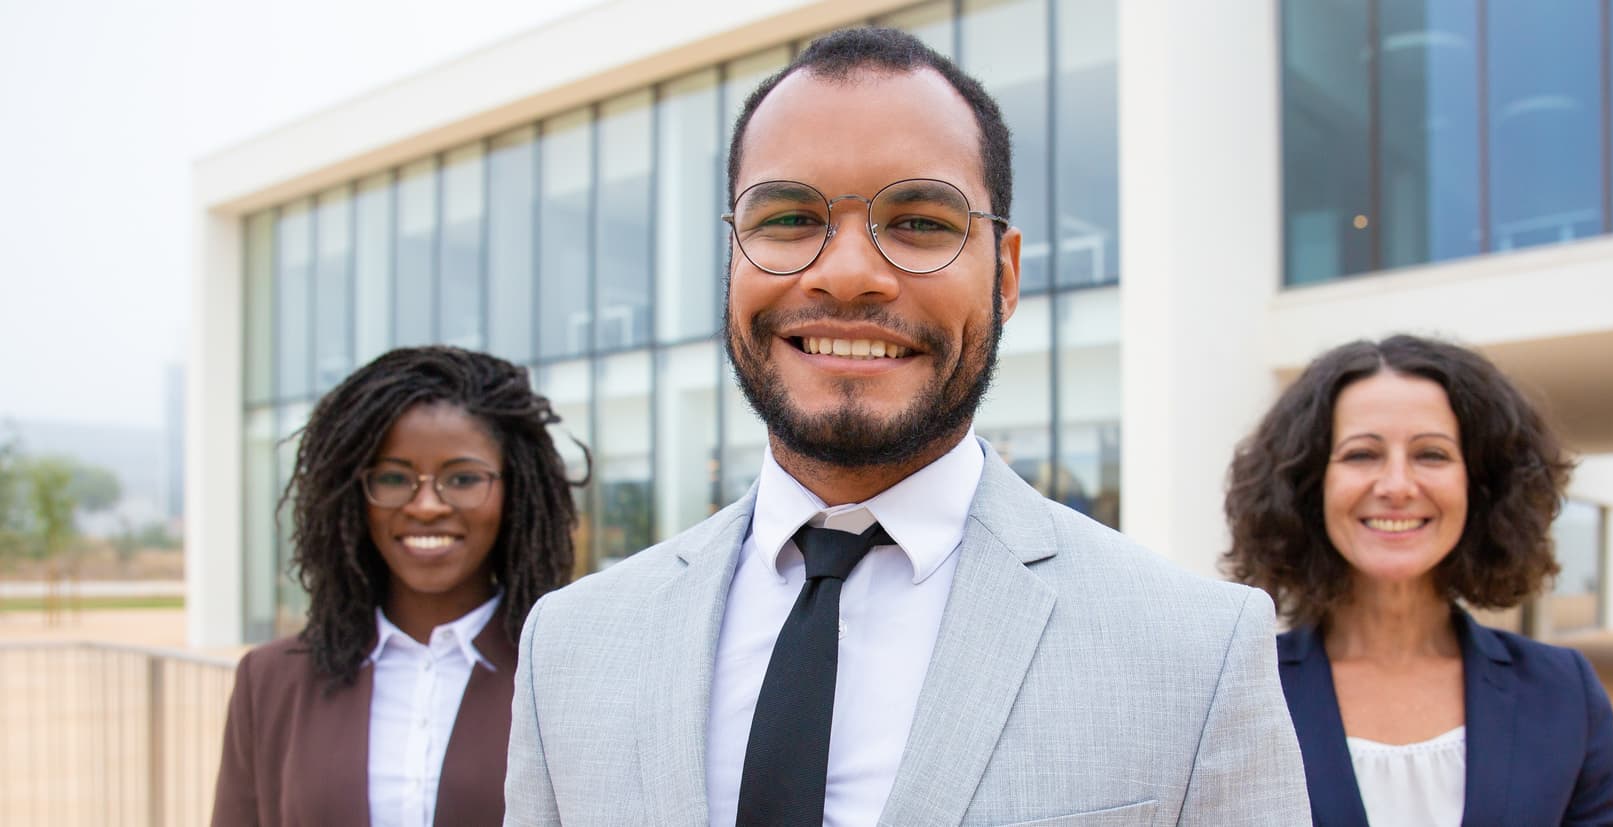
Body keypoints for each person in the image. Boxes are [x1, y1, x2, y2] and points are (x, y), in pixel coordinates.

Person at [505, 27, 1309, 826]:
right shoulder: (569, 647)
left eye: (919, 223)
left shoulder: (1197, 652)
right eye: (789, 217)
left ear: (1006, 275)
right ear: (733, 257)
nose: (848, 274)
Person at [1224, 334, 1613, 826]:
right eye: (1362, 454)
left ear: (1481, 486)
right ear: (1311, 487)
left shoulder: (1563, 690)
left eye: (1431, 454)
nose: (1396, 486)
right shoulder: (1240, 694)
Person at [212, 346, 583, 827]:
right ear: (351, 495)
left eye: (463, 478)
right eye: (394, 477)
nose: (426, 505)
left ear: (516, 491)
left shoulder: (567, 677)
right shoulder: (270, 681)